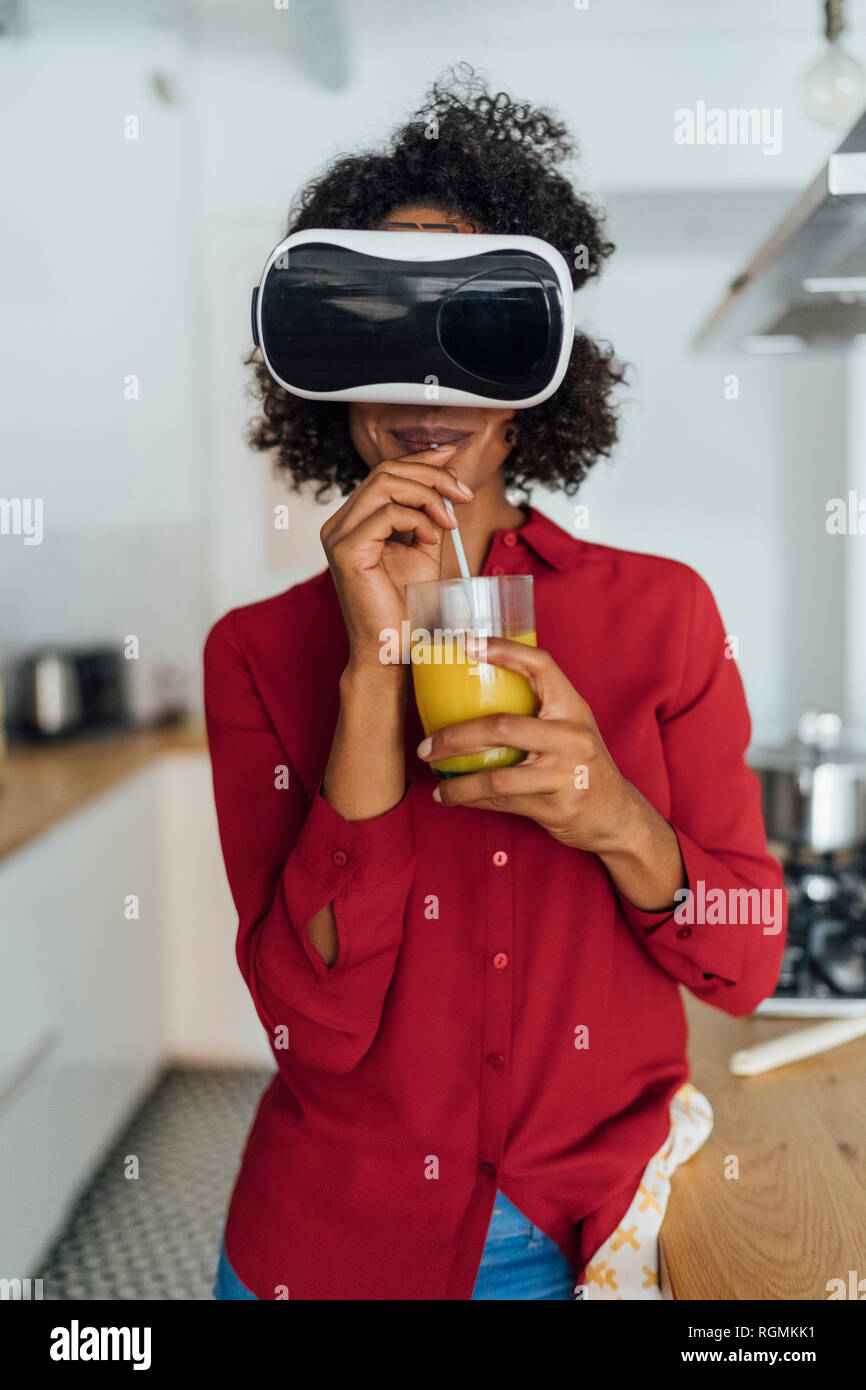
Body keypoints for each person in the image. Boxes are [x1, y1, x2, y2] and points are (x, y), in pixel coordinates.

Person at [205, 70, 785, 1301]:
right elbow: (311, 1029)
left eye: (471, 334)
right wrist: (373, 677)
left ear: (539, 373)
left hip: (594, 1225)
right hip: (332, 1246)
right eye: (376, 333)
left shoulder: (662, 611)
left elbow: (746, 952)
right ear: (329, 382)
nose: (429, 394)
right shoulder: (256, 652)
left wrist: (616, 818)